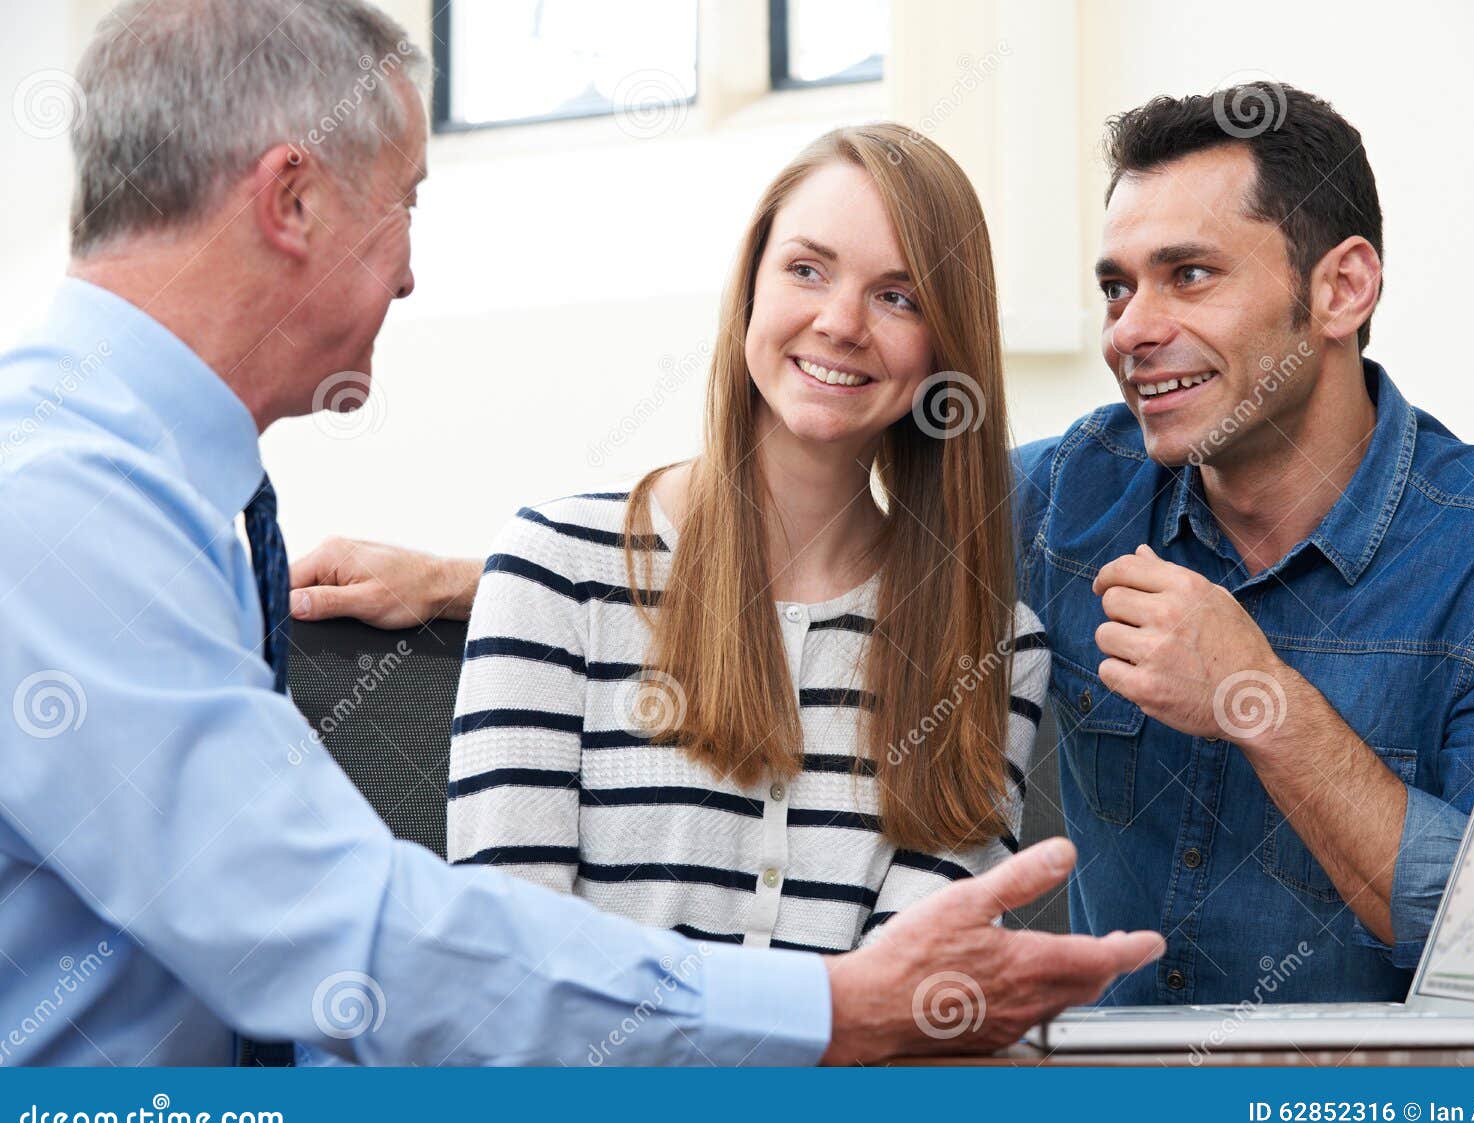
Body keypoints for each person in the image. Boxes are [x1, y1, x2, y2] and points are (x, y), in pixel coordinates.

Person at [0, 0, 1164, 1068]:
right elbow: (342, 935)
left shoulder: (157, 496)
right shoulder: (60, 504)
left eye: (900, 294)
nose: (408, 273)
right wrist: (832, 1007)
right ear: (292, 200)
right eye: (404, 203)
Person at [303, 83, 1474, 1007]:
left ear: (1343, 288)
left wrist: (1258, 700)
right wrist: (486, 581)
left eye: (1189, 276)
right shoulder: (1079, 496)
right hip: (1103, 1095)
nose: (1132, 328)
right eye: (1113, 284)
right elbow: (830, 529)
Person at [448, 124, 1049, 953]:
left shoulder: (992, 648)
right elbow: (510, 965)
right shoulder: (556, 572)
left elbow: (904, 1003)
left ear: (946, 347)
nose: (840, 322)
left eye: (898, 296)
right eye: (807, 269)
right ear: (750, 295)